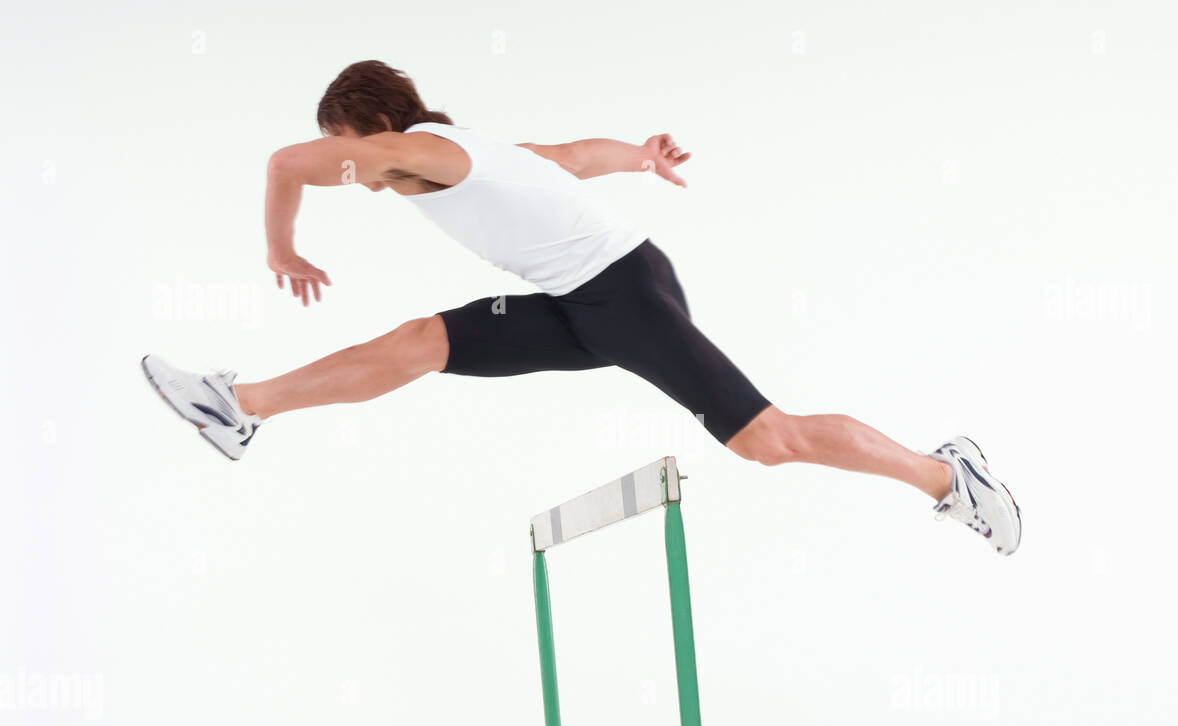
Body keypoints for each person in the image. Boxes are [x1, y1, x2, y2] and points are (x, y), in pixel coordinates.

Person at [141, 60, 1020, 555]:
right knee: (421, 342)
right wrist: (640, 153)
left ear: (369, 127)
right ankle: (239, 405)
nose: (351, 170)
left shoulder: (419, 153)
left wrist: (281, 249)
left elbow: (282, 167)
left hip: (621, 293)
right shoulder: (469, 150)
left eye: (347, 146)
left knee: (770, 441)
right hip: (583, 299)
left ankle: (949, 476)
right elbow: (568, 155)